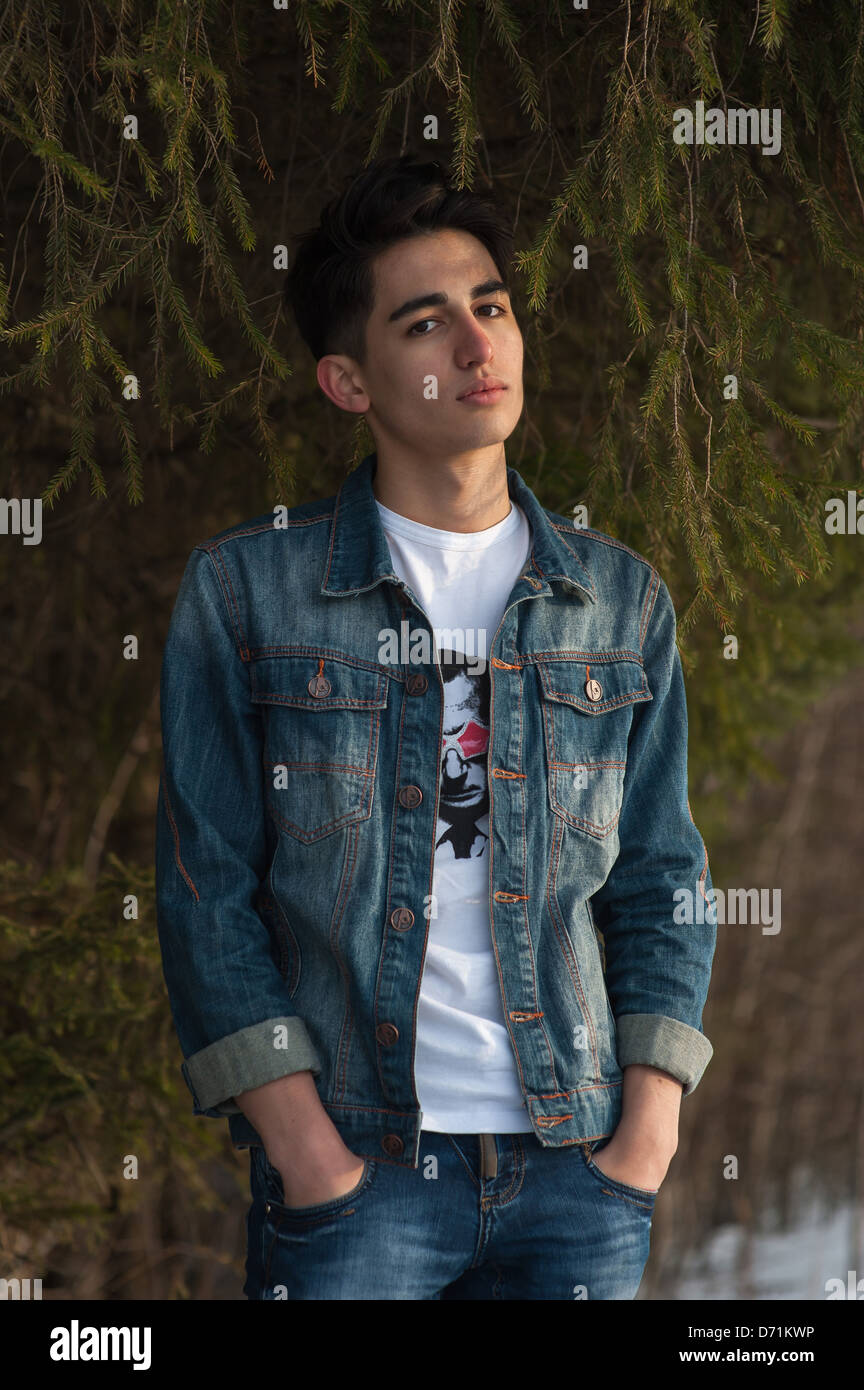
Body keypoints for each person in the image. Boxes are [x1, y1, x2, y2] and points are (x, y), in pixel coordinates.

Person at [155, 154, 717, 1300]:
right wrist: (310, 1156)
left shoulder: (619, 601)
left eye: (492, 306)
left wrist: (643, 1139)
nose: (477, 345)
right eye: (425, 323)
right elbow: (205, 891)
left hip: (580, 1171)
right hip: (359, 1174)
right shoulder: (246, 594)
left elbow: (664, 880)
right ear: (351, 382)